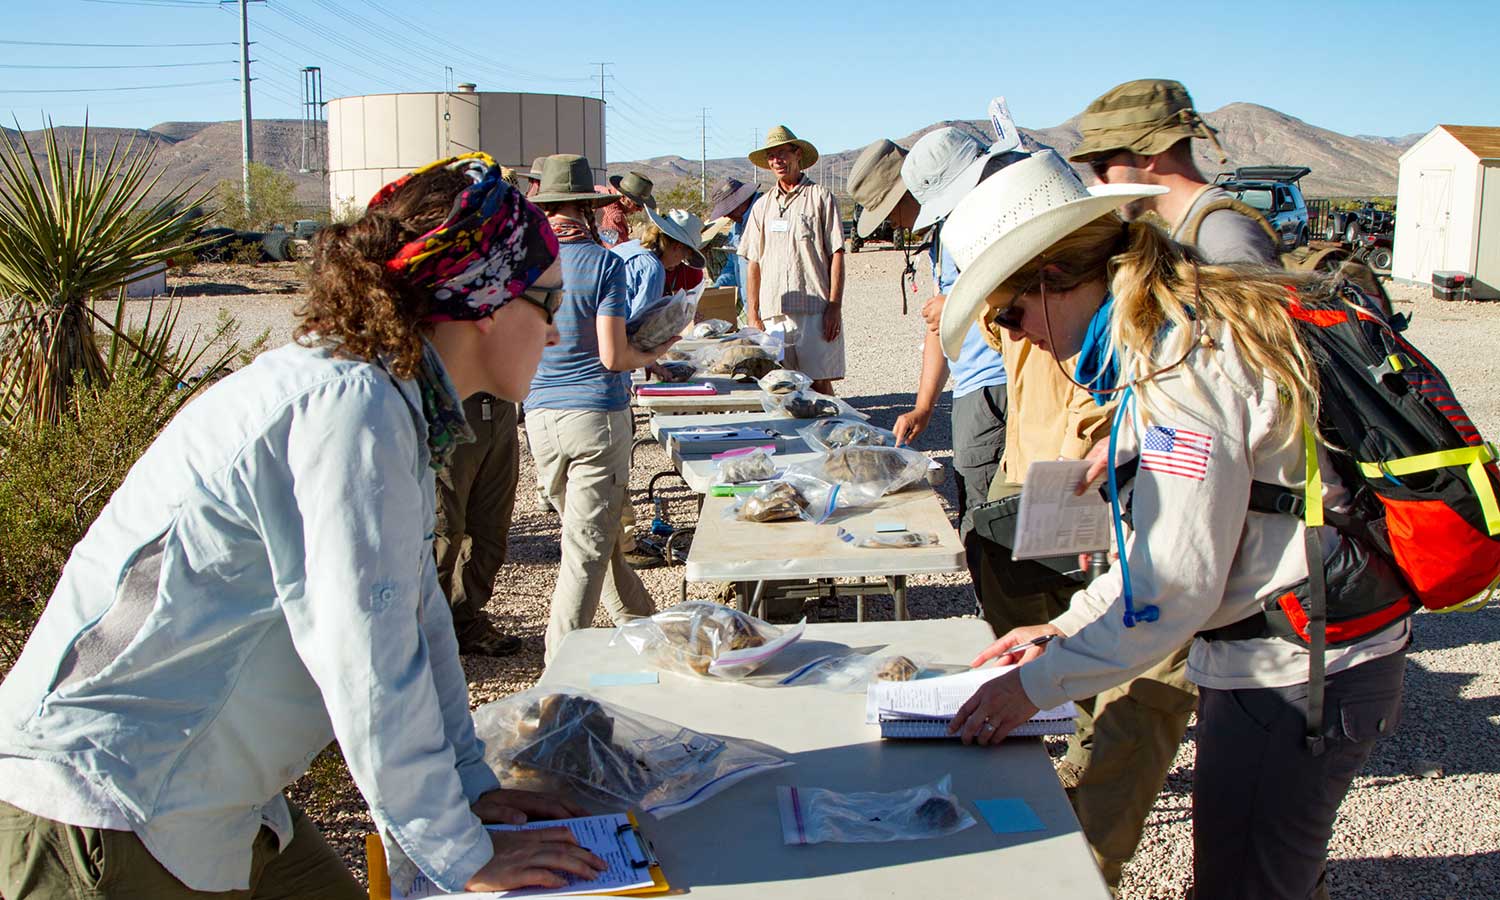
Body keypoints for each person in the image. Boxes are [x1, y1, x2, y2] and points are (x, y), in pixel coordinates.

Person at [0, 153, 609, 897]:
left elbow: (419, 626)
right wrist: (462, 852)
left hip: (212, 802)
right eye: (546, 303)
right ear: (483, 301)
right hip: (105, 811)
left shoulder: (387, 396)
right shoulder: (349, 406)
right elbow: (368, 657)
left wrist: (472, 787)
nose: (554, 334)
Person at [938, 149, 1409, 900]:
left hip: (1295, 673)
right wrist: (1068, 626)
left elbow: (1175, 586)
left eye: (1010, 314)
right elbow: (1172, 543)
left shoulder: (1183, 368)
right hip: (1292, 654)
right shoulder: (1176, 334)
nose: (1015, 336)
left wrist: (1035, 684)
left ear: (1056, 279)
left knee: (1247, 886)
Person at [845, 131, 1018, 618]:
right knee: (979, 512)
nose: (892, 227)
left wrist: (959, 302)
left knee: (990, 519)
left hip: (995, 388)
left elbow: (1017, 296)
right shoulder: (944, 238)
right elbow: (939, 334)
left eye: (891, 213)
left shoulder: (976, 224)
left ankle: (1004, 626)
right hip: (974, 390)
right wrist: (924, 404)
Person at [525, 154, 674, 663]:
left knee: (598, 538)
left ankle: (649, 633)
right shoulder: (605, 263)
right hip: (594, 415)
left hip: (540, 416)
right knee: (584, 553)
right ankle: (558, 673)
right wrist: (653, 352)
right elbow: (614, 356)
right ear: (588, 207)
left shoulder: (525, 265)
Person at [1067, 78, 1277, 265]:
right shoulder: (1193, 229)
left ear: (1148, 154)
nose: (1097, 182)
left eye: (1101, 166)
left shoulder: (1221, 236)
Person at [739, 125, 846, 394]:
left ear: (797, 154)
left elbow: (837, 254)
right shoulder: (762, 206)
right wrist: (753, 313)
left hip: (814, 308)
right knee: (781, 385)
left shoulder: (821, 198)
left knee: (819, 382)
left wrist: (834, 306)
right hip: (774, 311)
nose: (777, 161)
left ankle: (829, 433)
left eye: (782, 153)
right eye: (771, 157)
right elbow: (754, 261)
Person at [707, 176, 762, 296]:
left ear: (741, 201)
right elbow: (732, 266)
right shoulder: (736, 228)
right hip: (752, 307)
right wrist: (717, 288)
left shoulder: (766, 214)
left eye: (729, 210)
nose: (727, 216)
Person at [596, 171, 655, 248]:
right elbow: (620, 252)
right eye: (637, 205)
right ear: (623, 198)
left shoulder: (599, 190)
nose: (640, 210)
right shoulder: (615, 217)